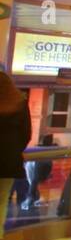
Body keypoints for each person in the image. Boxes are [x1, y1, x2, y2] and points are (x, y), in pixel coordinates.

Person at [0, 74, 32, 232]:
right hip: (8, 160)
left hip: (9, 158)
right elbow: (26, 133)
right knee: (1, 202)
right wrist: (14, 150)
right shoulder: (19, 103)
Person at [22, 133, 56, 212]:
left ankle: (32, 198)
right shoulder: (42, 150)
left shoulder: (40, 150)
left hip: (39, 166)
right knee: (33, 180)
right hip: (37, 166)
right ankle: (34, 197)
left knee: (33, 180)